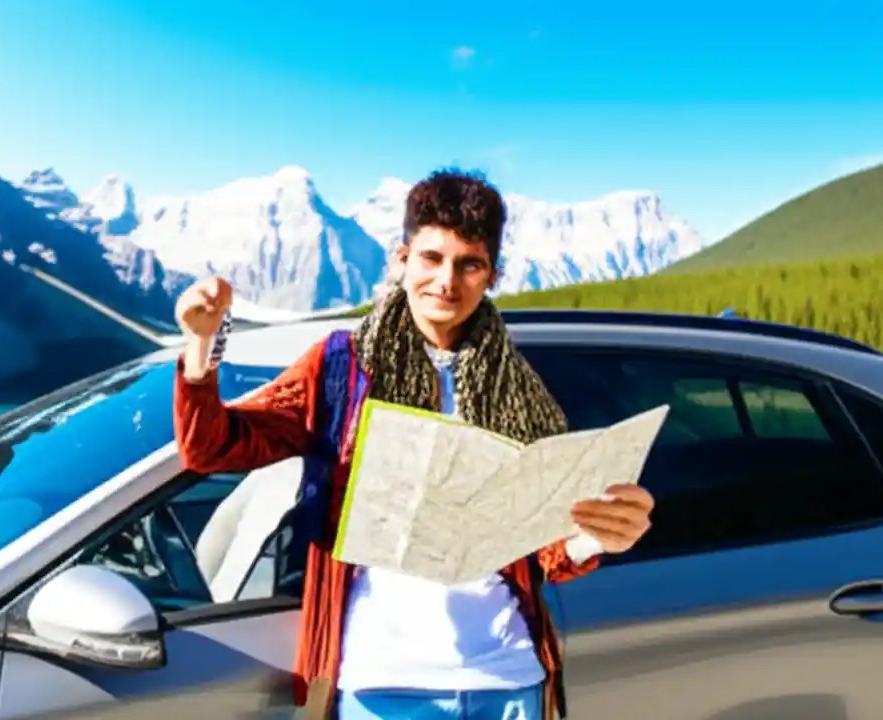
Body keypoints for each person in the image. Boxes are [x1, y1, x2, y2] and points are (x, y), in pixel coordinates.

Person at [172, 168, 655, 720]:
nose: (447, 281)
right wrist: (201, 345)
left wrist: (597, 536)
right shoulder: (339, 369)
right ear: (402, 260)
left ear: (491, 275)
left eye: (469, 264)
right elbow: (213, 447)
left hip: (510, 674)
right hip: (384, 681)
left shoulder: (520, 389)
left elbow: (546, 551)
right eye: (431, 258)